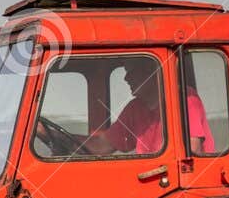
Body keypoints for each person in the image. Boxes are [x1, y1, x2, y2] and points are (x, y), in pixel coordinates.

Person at [84, 61, 214, 156]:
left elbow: (191, 149)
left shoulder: (185, 99)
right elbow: (102, 145)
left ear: (152, 71)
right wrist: (68, 141)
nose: (126, 78)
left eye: (132, 72)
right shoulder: (135, 108)